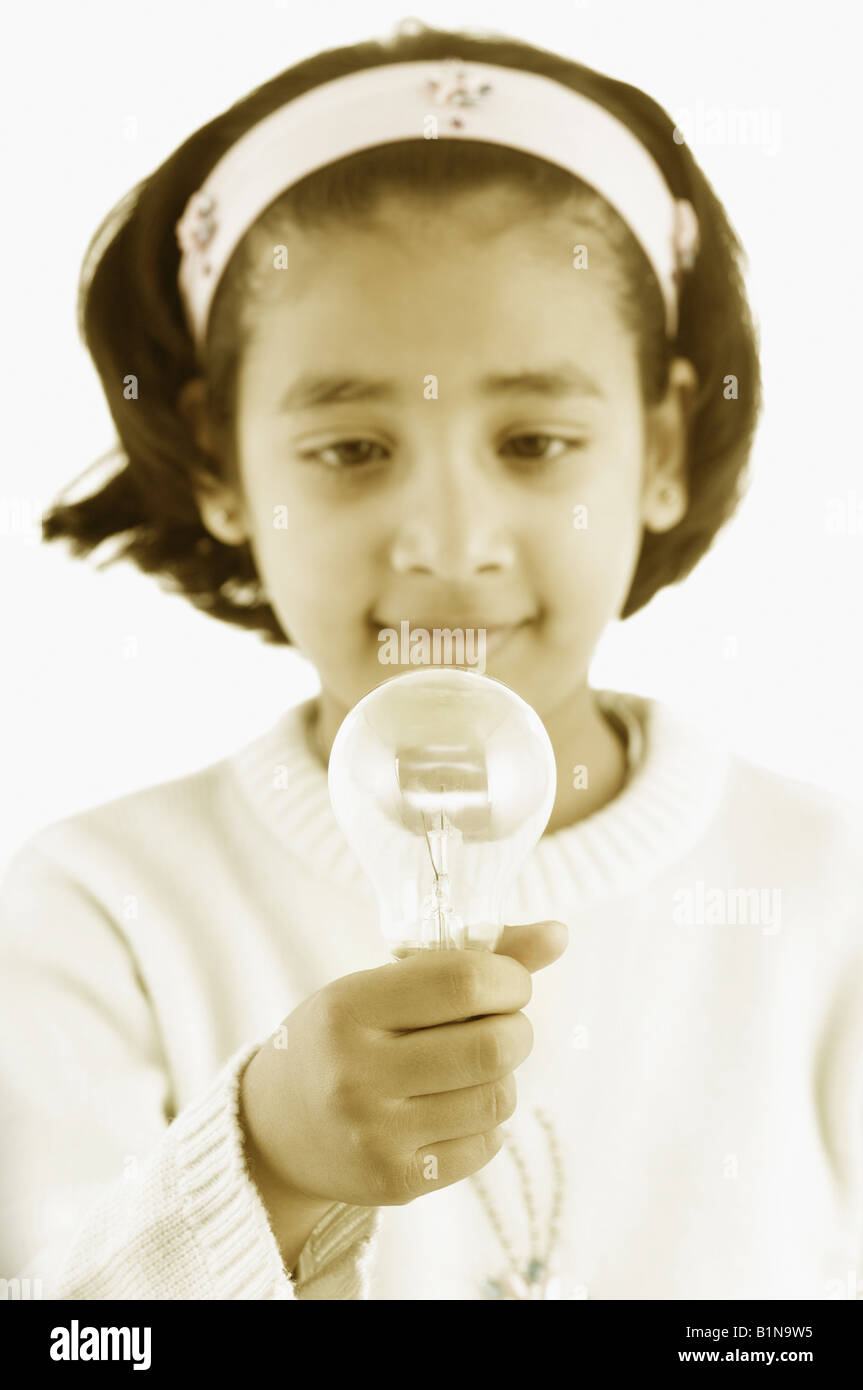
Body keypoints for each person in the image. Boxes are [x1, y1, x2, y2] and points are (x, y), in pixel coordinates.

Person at [2, 20, 861, 1302]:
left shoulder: (825, 897)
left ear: (663, 445)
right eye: (350, 449)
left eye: (532, 444)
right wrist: (272, 1165)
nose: (450, 544)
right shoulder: (104, 908)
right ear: (224, 465)